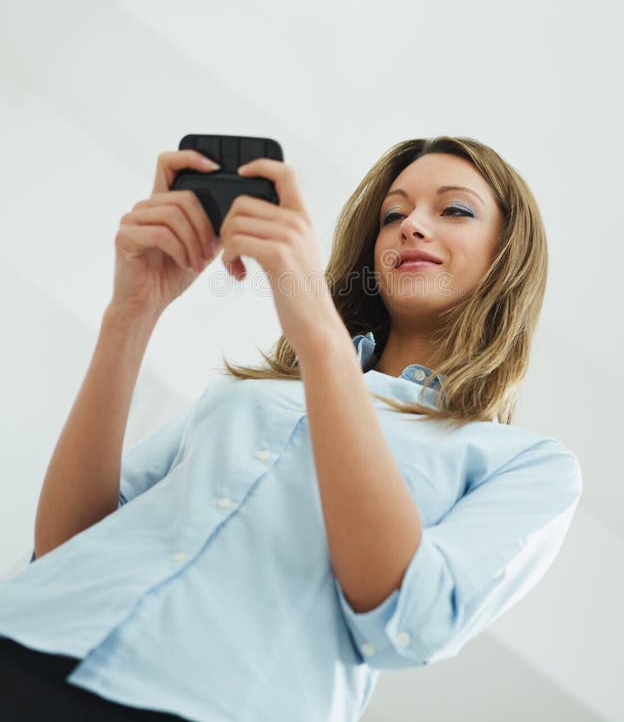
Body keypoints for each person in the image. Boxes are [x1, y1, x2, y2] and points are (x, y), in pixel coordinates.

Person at [0, 136, 583, 721]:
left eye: (454, 209)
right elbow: (65, 552)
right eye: (393, 214)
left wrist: (315, 325)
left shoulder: (526, 464)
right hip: (25, 637)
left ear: (509, 253)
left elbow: (410, 621)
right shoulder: (244, 396)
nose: (411, 227)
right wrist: (130, 315)